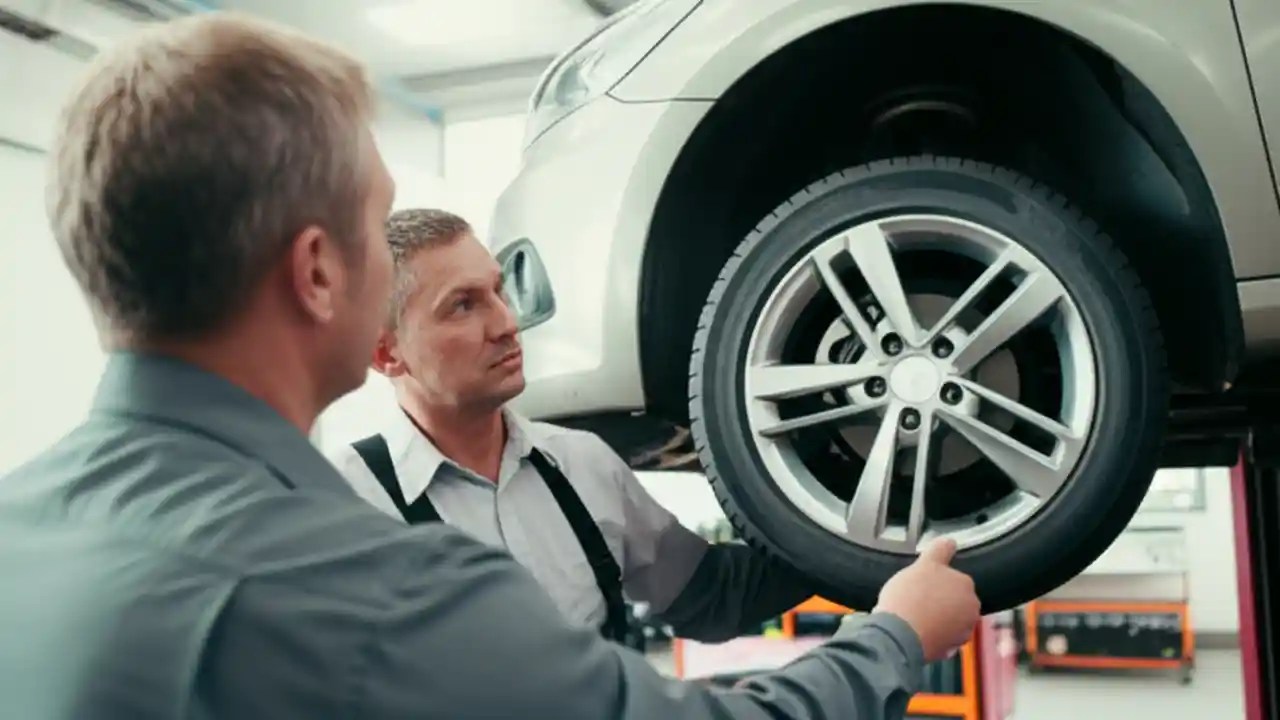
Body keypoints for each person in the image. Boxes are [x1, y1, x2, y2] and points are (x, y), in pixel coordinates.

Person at [0, 11, 980, 720]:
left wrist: (846, 526)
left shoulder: (21, 534)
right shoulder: (370, 584)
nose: (504, 323)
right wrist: (893, 639)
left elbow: (710, 593)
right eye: (370, 230)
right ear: (316, 274)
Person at [327, 208, 816, 645]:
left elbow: (712, 596)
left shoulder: (583, 465)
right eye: (463, 305)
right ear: (386, 353)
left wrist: (853, 547)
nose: (506, 323)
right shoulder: (340, 505)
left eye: (498, 291)